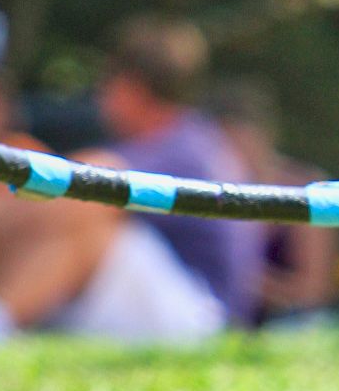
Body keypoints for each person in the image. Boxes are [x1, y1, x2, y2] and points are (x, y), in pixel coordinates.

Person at [0, 66, 225, 342]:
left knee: (87, 212)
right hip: (133, 302)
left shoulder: (181, 142)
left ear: (132, 89)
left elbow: (91, 181)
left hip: (200, 313)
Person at [98, 17, 265, 327]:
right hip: (201, 311)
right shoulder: (194, 138)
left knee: (91, 224)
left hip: (206, 320)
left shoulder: (182, 151)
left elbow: (85, 185)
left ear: (132, 88)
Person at [208, 80, 339, 326]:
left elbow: (316, 292)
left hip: (292, 322)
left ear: (265, 135)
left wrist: (248, 283)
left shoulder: (306, 190)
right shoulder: (210, 193)